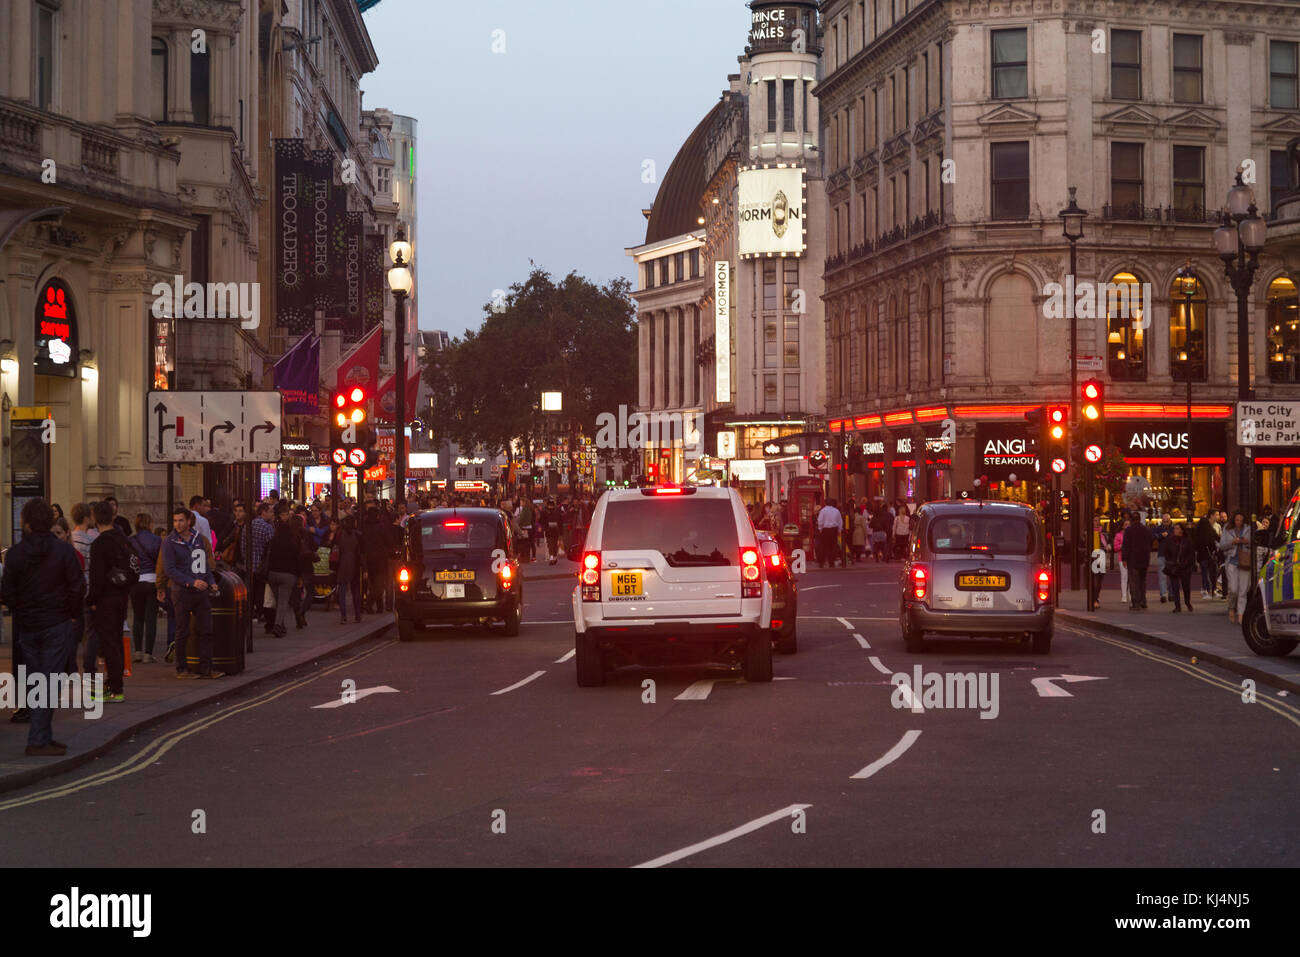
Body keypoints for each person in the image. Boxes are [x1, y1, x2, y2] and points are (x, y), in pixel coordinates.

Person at [1, 499, 84, 756]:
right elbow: (77, 586)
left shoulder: (14, 555)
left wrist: (21, 611)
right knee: (50, 682)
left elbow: (7, 592)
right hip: (56, 623)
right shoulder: (63, 552)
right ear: (49, 521)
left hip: (28, 625)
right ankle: (38, 740)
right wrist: (71, 615)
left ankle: (42, 737)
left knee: (39, 681)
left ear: (24, 522)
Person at [161, 507, 223, 678]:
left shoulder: (197, 539)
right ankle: (182, 668)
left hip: (200, 591)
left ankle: (206, 668)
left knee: (206, 630)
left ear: (188, 521)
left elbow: (202, 564)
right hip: (181, 591)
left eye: (181, 520)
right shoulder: (169, 542)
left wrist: (210, 582)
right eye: (175, 521)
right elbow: (170, 570)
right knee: (183, 631)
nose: (177, 524)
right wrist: (191, 582)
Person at [87, 500, 135, 702]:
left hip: (105, 599)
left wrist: (92, 600)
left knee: (109, 643)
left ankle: (115, 688)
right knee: (116, 639)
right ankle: (117, 686)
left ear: (95, 518)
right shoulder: (123, 539)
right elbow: (134, 568)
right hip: (121, 596)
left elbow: (96, 577)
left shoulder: (99, 544)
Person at [128, 513, 161, 663]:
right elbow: (161, 562)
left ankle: (138, 652)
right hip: (152, 580)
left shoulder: (130, 541)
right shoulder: (157, 540)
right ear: (149, 524)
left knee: (138, 618)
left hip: (136, 582)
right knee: (151, 619)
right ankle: (148, 653)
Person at [70, 503, 99, 674]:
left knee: (74, 632)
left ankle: (70, 665)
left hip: (72, 592)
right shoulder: (90, 541)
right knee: (91, 632)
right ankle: (89, 667)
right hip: (87, 590)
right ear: (87, 518)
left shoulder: (69, 539)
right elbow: (92, 568)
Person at [264, 519, 301, 638]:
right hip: (288, 575)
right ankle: (278, 626)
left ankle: (281, 626)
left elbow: (265, 556)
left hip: (272, 575)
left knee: (279, 602)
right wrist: (299, 577)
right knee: (283, 602)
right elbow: (297, 561)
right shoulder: (292, 543)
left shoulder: (272, 542)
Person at [1219, 511, 1253, 626]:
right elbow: (1222, 546)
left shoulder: (1249, 528)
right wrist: (1232, 542)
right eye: (1237, 520)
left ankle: (1241, 615)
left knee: (1243, 590)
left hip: (1245, 561)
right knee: (1233, 589)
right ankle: (1231, 607)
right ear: (1234, 520)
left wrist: (1246, 542)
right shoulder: (1227, 529)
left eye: (1241, 520)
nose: (1239, 522)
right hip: (1232, 561)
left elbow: (1255, 543)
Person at [250, 501, 276, 635]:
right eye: (270, 511)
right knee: (263, 594)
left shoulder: (249, 525)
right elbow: (272, 549)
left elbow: (243, 547)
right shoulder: (268, 528)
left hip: (250, 565)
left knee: (252, 592)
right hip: (263, 567)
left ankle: (253, 614)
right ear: (263, 512)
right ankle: (261, 613)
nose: (272, 514)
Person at [334, 514, 364, 624]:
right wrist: (364, 568)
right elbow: (361, 553)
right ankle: (357, 615)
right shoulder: (358, 535)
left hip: (342, 563)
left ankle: (343, 616)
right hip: (354, 563)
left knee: (342, 590)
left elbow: (335, 547)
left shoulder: (340, 534)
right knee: (355, 590)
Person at [1120, 511, 1153, 610]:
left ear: (1131, 520)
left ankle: (1136, 603)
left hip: (1133, 559)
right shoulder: (1146, 530)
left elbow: (1125, 546)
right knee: (1142, 581)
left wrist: (1124, 559)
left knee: (1134, 581)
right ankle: (1143, 600)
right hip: (1144, 558)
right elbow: (1150, 542)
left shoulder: (1129, 531)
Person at [1161, 521, 1195, 613]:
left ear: (1182, 530)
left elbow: (1191, 553)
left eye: (1177, 528)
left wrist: (1187, 563)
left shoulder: (1187, 540)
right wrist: (1170, 561)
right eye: (1174, 528)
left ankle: (1187, 602)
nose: (1175, 530)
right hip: (1174, 567)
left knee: (1186, 586)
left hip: (1185, 566)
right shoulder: (1170, 540)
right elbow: (1166, 552)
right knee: (1175, 587)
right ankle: (1177, 606)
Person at [1193, 509, 1219, 601]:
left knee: (1208, 573)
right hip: (1207, 554)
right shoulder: (1207, 527)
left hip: (1205, 554)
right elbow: (1214, 538)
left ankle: (1209, 590)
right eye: (1216, 514)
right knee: (1208, 573)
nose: (1218, 516)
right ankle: (1208, 590)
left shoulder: (1203, 529)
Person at [815, 498, 844, 569]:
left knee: (823, 547)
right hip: (834, 530)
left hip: (825, 530)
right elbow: (840, 521)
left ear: (825, 503)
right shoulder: (836, 511)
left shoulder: (823, 511)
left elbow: (820, 521)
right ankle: (832, 563)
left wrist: (820, 529)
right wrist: (839, 530)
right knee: (833, 547)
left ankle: (822, 563)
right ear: (832, 503)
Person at [1151, 513, 1173, 603]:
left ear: (1170, 520)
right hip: (1162, 553)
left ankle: (1172, 594)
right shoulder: (1159, 528)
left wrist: (1168, 535)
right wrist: (1160, 535)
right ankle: (1163, 594)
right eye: (1164, 521)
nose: (1165, 523)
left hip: (1172, 554)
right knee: (1162, 576)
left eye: (1167, 521)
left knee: (1172, 575)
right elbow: (1152, 536)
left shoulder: (1173, 528)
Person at [1089, 519, 1110, 610]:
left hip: (1102, 558)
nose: (1096, 522)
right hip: (1093, 558)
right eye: (1095, 520)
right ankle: (1094, 599)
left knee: (1099, 581)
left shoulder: (1104, 534)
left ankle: (1096, 598)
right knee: (1095, 581)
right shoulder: (1088, 533)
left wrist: (1108, 547)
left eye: (1098, 520)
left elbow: (1108, 544)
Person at [1113, 522, 1128, 606]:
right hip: (1122, 558)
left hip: (1131, 558)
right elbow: (1115, 547)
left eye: (1129, 524)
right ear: (1122, 526)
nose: (1127, 526)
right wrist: (1122, 545)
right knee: (1124, 576)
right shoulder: (1118, 535)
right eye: (1125, 524)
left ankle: (1130, 594)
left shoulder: (1132, 534)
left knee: (1131, 577)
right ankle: (1124, 595)